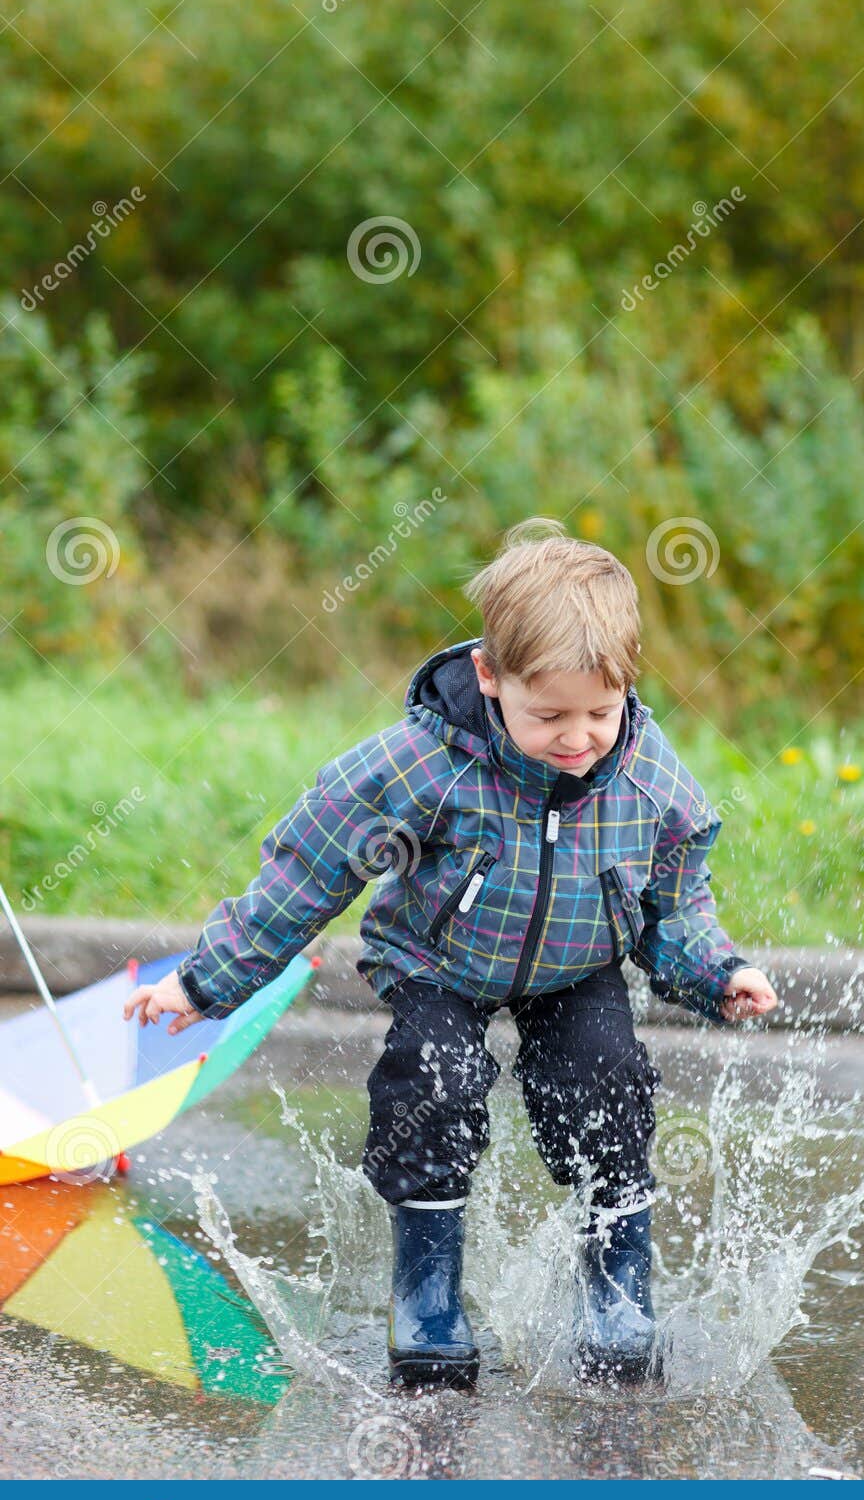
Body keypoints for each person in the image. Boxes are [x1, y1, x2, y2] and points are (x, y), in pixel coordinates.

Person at [122, 518, 777, 1389]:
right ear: (488, 677)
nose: (577, 737)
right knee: (434, 1079)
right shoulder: (422, 764)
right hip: (439, 960)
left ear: (627, 687)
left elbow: (674, 901)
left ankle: (618, 1286)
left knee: (605, 1077)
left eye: (599, 711)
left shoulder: (646, 777)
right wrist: (205, 983)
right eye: (547, 714)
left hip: (578, 965)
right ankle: (427, 1290)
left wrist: (716, 971)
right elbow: (311, 870)